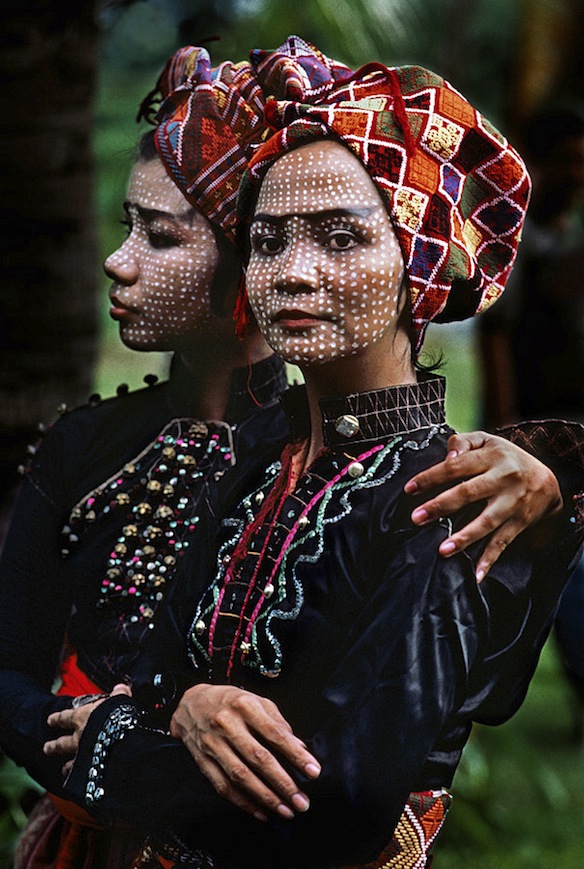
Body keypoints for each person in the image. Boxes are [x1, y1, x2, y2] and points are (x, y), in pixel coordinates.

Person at [1, 39, 562, 869]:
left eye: (340, 238)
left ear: (418, 262)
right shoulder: (262, 455)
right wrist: (183, 702)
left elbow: (339, 808)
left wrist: (114, 748)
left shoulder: (444, 494)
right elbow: (155, 674)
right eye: (268, 243)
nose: (294, 273)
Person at [477, 102, 584, 735]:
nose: (577, 174)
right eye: (566, 162)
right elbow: (497, 340)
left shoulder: (574, 235)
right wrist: (509, 430)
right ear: (536, 163)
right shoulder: (513, 241)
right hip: (539, 436)